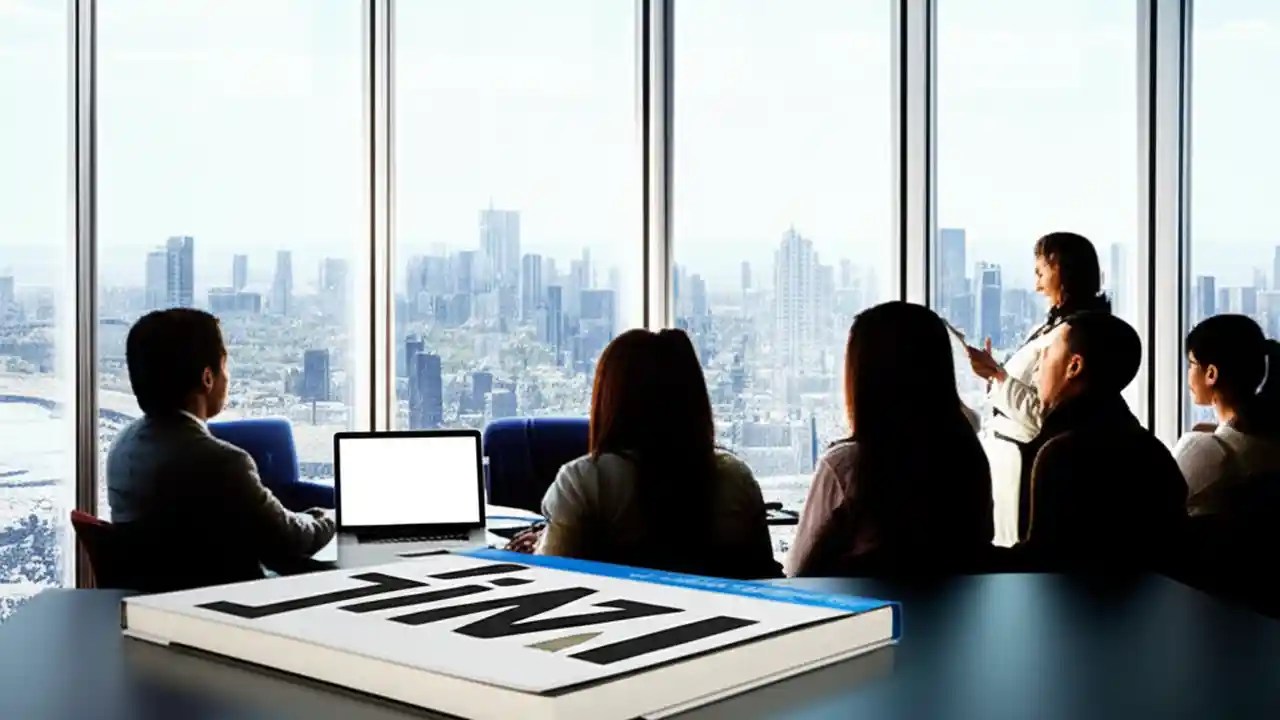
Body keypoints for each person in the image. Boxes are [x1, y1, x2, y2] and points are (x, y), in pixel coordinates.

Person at [528, 328, 779, 579]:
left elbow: (549, 585)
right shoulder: (735, 478)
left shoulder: (583, 482)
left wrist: (541, 544)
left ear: (609, 398)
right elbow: (766, 578)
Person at [107, 309, 335, 582]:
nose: (228, 377)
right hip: (227, 608)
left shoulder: (122, 447)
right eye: (225, 366)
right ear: (207, 378)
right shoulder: (223, 463)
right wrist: (331, 518)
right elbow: (291, 541)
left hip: (157, 606)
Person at [788, 302, 994, 577]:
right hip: (955, 617)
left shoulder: (846, 466)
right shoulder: (967, 457)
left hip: (869, 618)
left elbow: (798, 572)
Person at [964, 231, 1111, 546]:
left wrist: (1000, 378)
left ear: (1063, 270)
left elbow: (1044, 413)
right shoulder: (1051, 328)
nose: (1036, 284)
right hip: (1010, 458)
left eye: (1041, 272)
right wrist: (995, 374)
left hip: (1027, 459)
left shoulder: (1075, 336)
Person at [1021, 312, 1186, 568]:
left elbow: (1042, 563)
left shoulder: (1062, 453)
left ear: (1074, 366)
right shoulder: (1151, 452)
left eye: (1047, 352)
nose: (1038, 365)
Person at [1173, 314, 1280, 516]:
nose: (1188, 373)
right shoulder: (1270, 441)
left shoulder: (1206, 452)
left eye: (1191, 363)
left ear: (1211, 374)